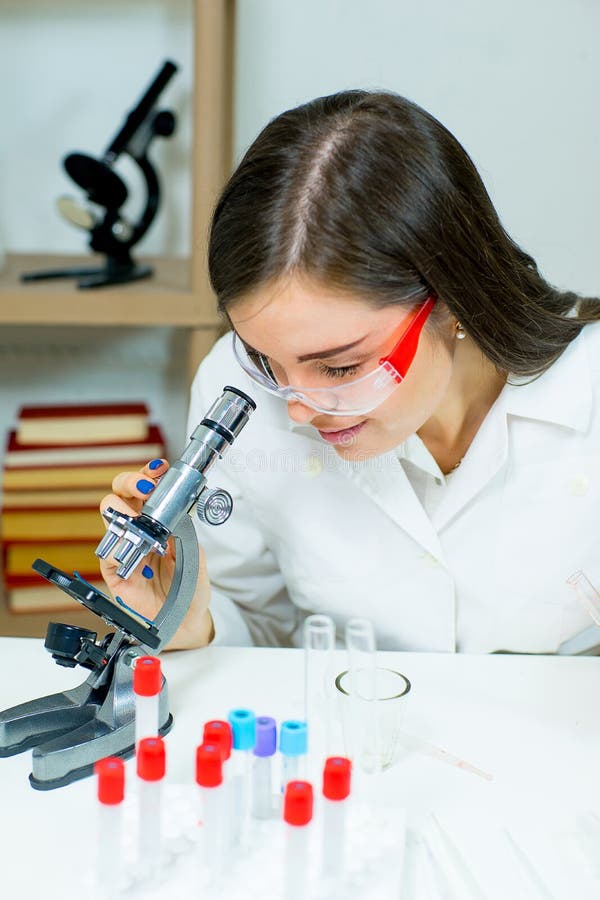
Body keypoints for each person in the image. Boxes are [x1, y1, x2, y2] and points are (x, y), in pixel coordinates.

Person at [100, 90, 600, 655]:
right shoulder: (236, 394)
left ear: (453, 298)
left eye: (339, 366)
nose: (298, 407)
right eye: (265, 358)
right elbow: (258, 625)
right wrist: (194, 623)